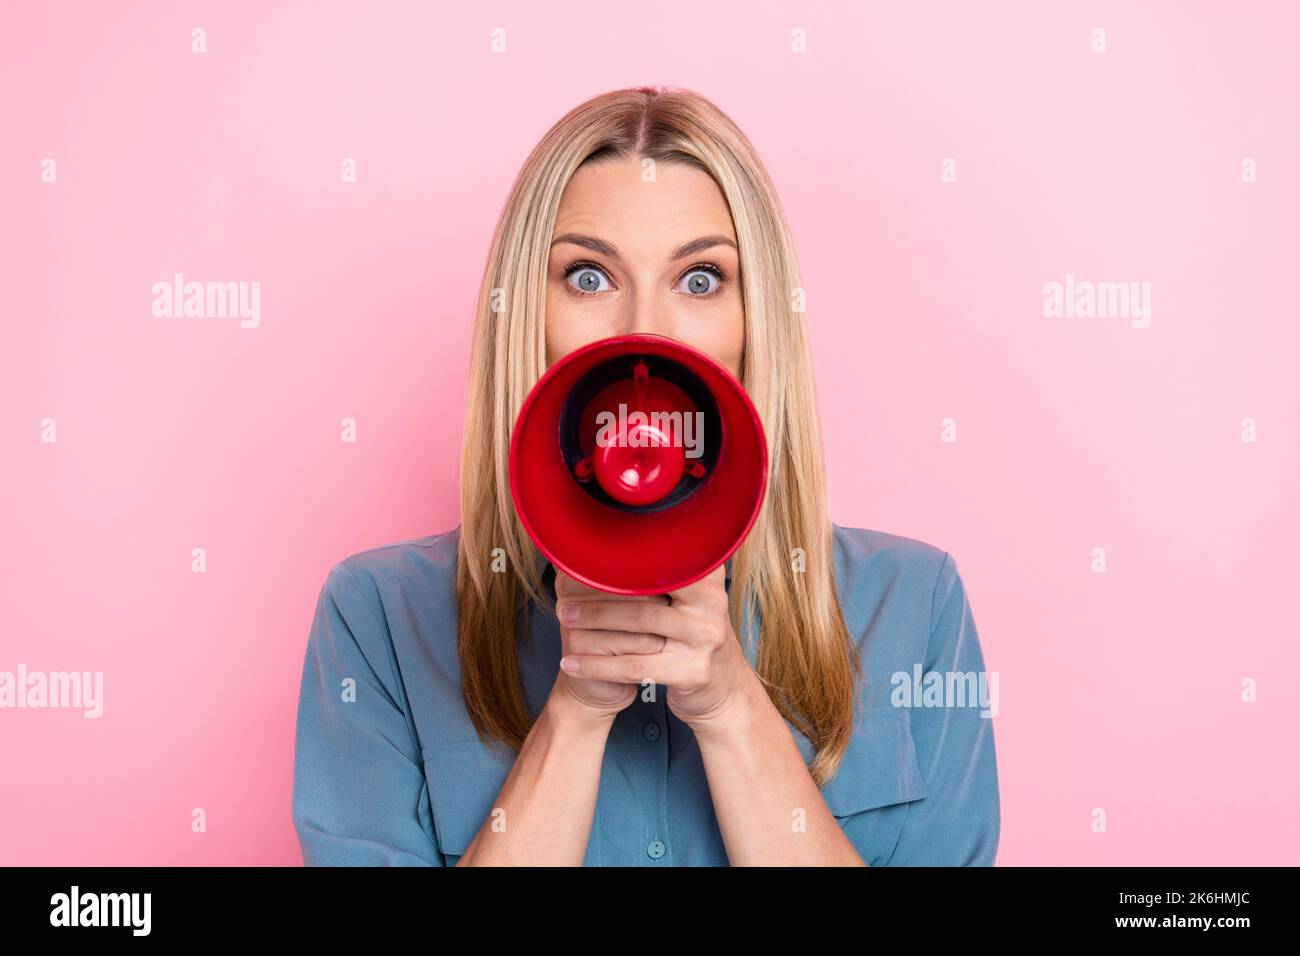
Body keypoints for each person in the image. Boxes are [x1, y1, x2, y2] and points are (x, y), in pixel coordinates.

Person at [291, 85, 1000, 866]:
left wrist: (732, 706)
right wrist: (576, 710)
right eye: (588, 277)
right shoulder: (381, 618)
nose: (643, 332)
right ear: (527, 311)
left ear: (755, 318)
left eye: (699, 281)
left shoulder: (913, 604)